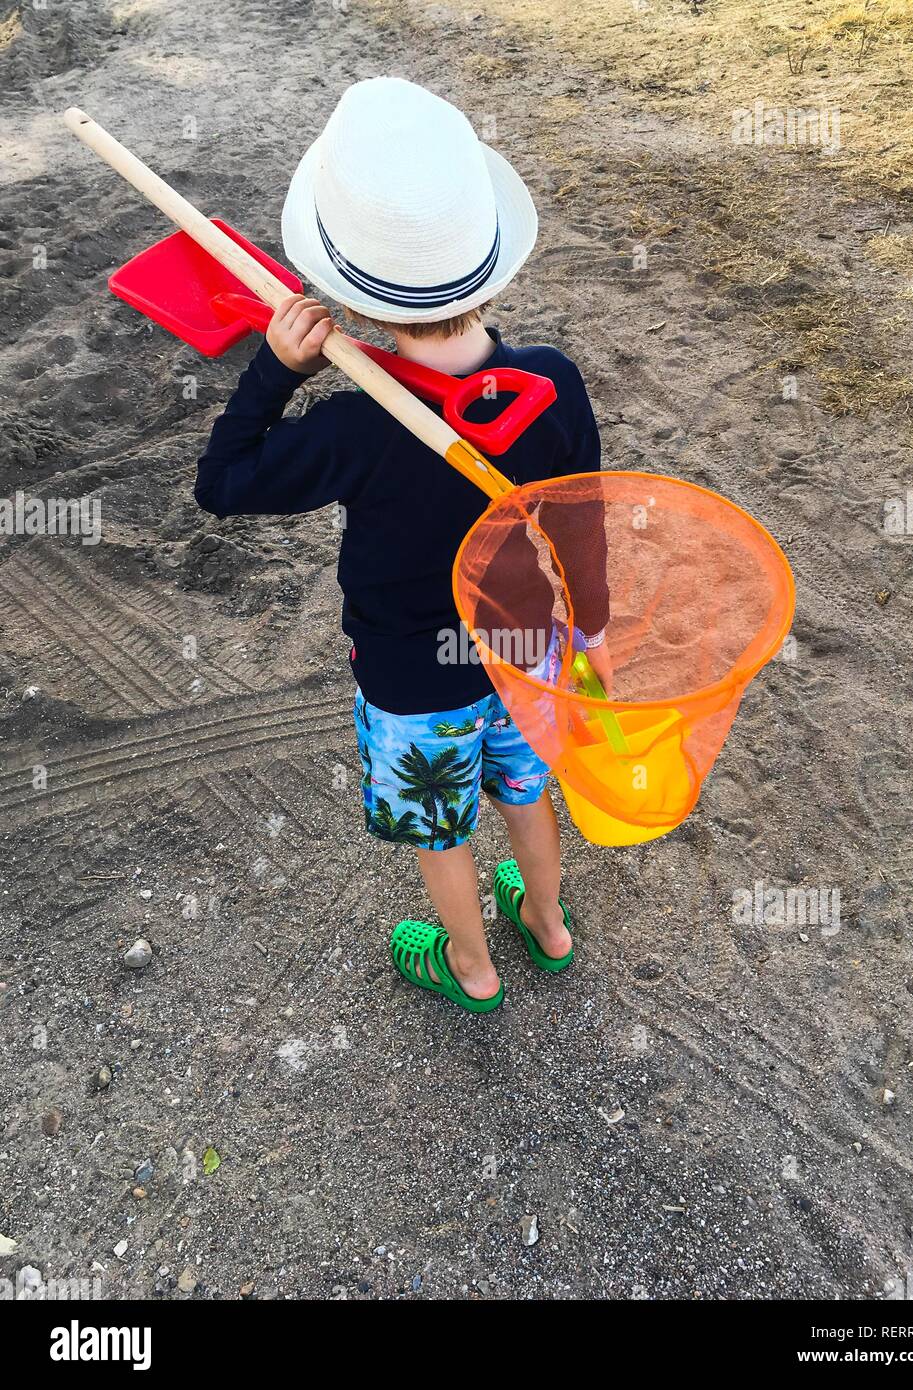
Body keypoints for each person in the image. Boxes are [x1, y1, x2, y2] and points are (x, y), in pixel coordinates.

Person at [195, 77, 609, 1012]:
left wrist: (274, 369)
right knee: (524, 790)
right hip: (526, 657)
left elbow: (221, 484)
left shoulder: (354, 428)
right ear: (488, 263)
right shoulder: (555, 384)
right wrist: (587, 631)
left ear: (352, 292)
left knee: (441, 830)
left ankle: (472, 967)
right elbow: (581, 519)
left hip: (411, 682)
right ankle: (548, 924)